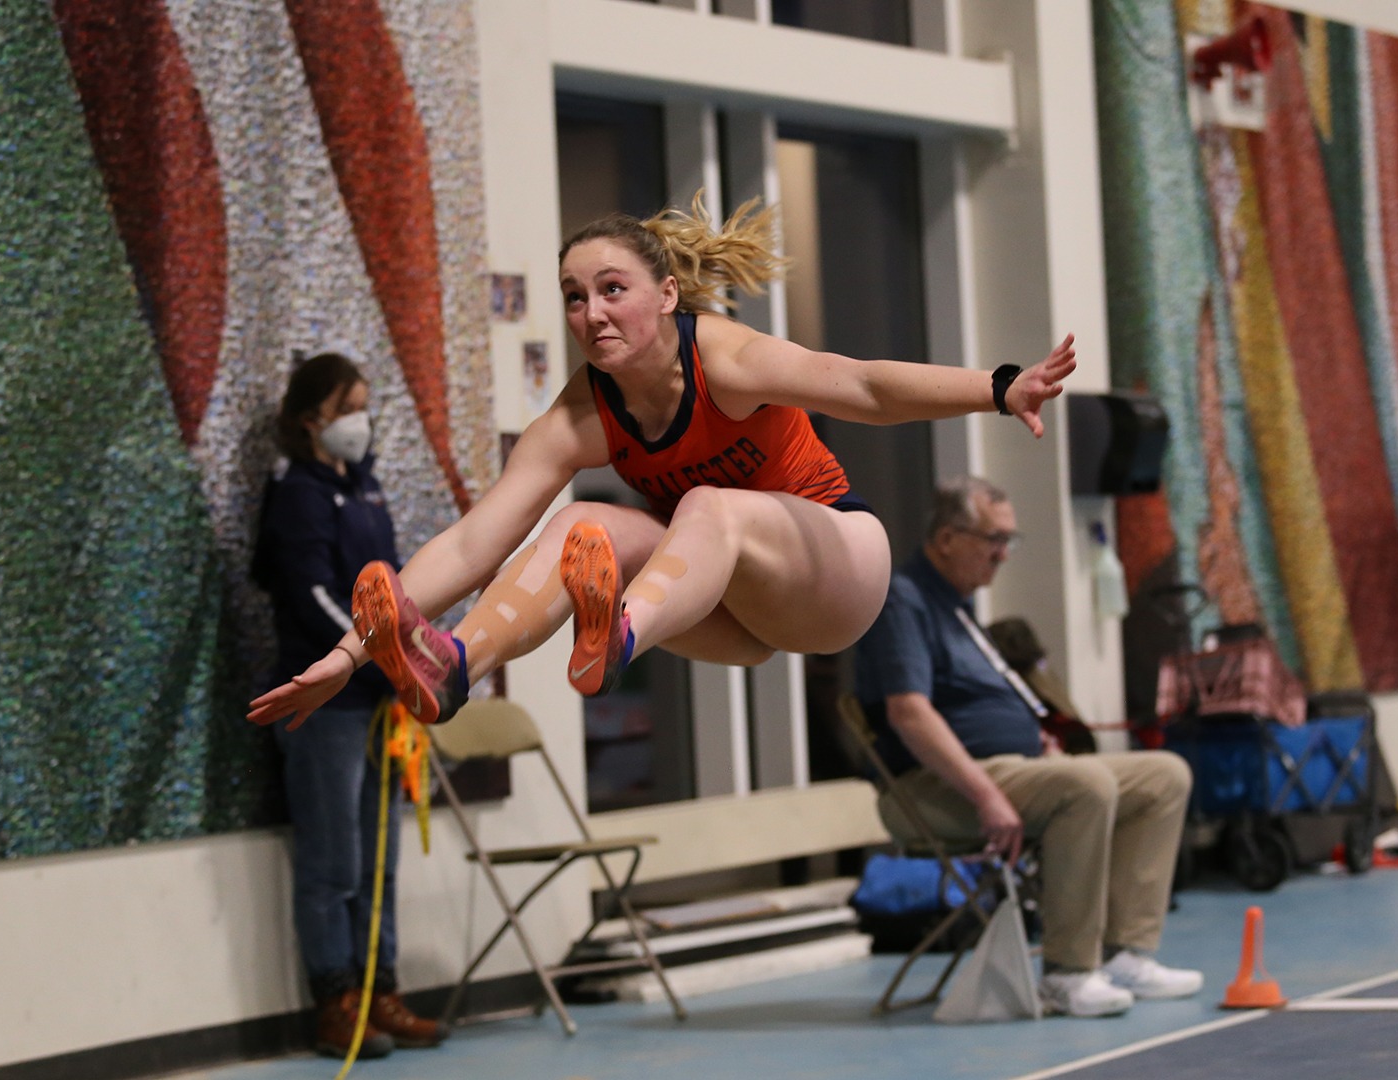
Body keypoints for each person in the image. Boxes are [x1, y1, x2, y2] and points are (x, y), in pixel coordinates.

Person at [244, 193, 1073, 747]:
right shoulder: (579, 415)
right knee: (579, 524)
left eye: (612, 289)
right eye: (574, 297)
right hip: (724, 610)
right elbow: (471, 545)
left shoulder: (727, 359)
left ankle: (620, 634)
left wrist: (1000, 388)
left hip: (836, 574)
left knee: (710, 503)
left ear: (668, 295)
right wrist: (350, 656)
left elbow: (861, 384)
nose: (591, 313)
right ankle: (457, 666)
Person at [853, 476, 1200, 1018]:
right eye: (993, 539)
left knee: (1164, 775)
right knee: (1085, 785)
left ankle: (1124, 953)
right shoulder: (905, 600)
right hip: (932, 787)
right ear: (946, 539)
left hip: (1013, 768)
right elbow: (910, 714)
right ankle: (1067, 973)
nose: (1003, 555)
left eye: (1010, 541)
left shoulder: (960, 608)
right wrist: (987, 794)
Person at [250, 353, 449, 1058]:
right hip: (325, 706)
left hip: (379, 702)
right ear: (313, 420)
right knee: (333, 862)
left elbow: (389, 588)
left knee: (378, 861)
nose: (361, 421)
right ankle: (335, 1002)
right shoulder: (297, 493)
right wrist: (369, 652)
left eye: (367, 404)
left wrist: (413, 652)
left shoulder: (365, 488)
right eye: (349, 407)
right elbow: (312, 595)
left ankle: (378, 991)